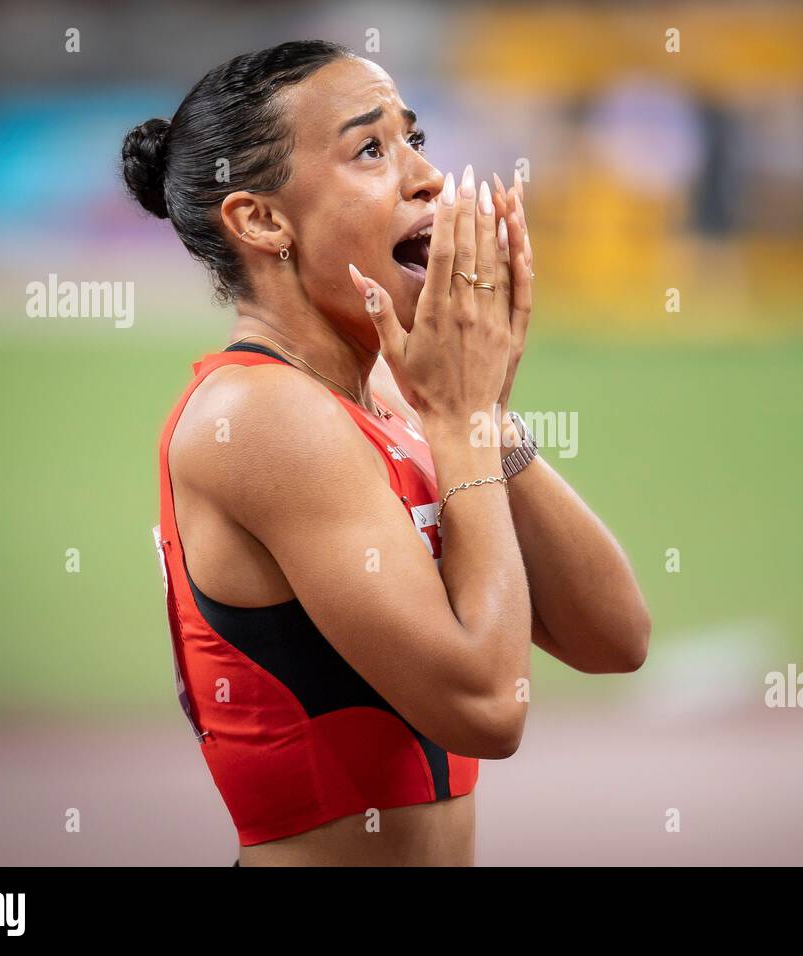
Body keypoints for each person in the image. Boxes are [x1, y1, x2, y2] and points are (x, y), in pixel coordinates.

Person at [122, 40, 651, 866]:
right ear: (261, 220)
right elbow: (486, 706)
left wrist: (490, 418)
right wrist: (466, 419)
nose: (426, 177)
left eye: (416, 140)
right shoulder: (261, 416)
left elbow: (614, 638)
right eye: (371, 149)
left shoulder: (403, 399)